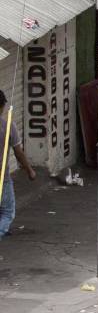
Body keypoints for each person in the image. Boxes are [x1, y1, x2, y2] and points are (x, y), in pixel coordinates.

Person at [0, 90, 36, 240]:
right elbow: (18, 153)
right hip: (2, 177)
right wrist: (30, 171)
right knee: (8, 212)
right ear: (2, 106)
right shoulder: (8, 126)